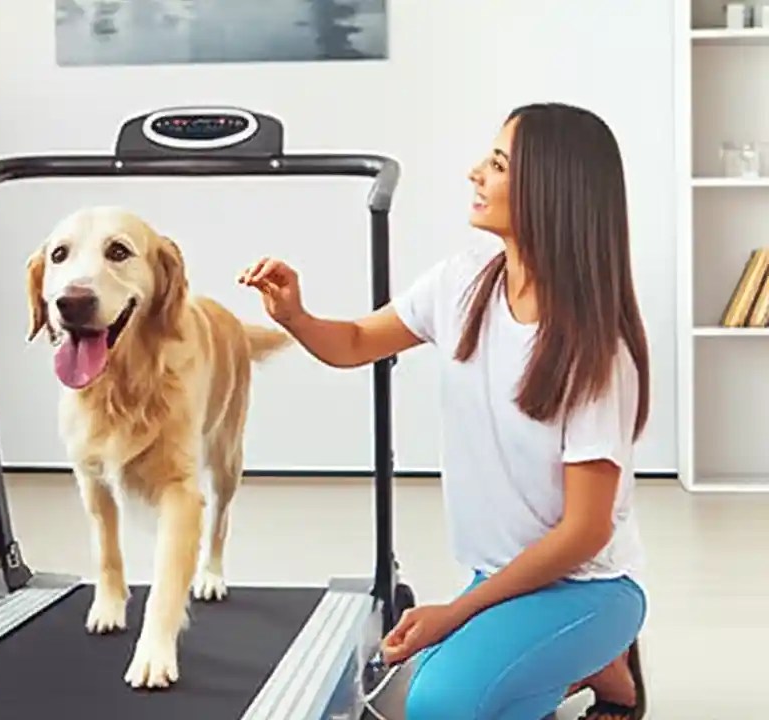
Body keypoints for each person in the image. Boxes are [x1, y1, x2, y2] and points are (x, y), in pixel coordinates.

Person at [238, 102, 649, 720]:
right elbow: (353, 344)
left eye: (498, 162)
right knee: (444, 694)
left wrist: (455, 613)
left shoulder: (597, 351)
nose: (474, 172)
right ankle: (591, 667)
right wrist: (296, 316)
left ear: (550, 188)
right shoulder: (462, 281)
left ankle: (606, 660)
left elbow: (586, 533)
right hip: (506, 577)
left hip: (592, 587)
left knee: (436, 703)